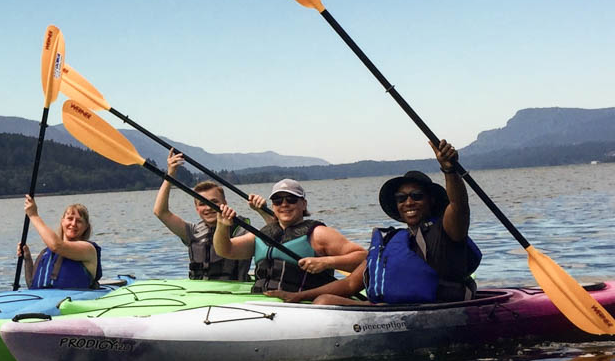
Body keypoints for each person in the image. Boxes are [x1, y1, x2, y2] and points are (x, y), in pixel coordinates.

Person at [279, 141, 482, 306]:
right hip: (390, 311)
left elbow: (459, 205)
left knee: (323, 304)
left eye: (417, 196)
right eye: (402, 198)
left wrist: (449, 170)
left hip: (438, 307)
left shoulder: (447, 230)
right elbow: (350, 283)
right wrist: (298, 296)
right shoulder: (392, 241)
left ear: (432, 201)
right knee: (324, 301)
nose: (409, 202)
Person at [212, 178, 366, 295]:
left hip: (303, 303)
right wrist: (222, 226)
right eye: (278, 201)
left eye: (291, 200)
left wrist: (327, 261)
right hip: (263, 302)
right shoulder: (262, 234)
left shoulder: (318, 233)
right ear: (273, 206)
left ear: (304, 204)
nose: (284, 204)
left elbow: (364, 257)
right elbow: (225, 250)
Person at [153, 148, 277, 281]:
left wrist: (262, 211)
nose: (208, 208)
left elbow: (277, 234)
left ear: (225, 202)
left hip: (234, 292)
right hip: (199, 291)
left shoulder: (242, 230)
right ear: (197, 209)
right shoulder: (192, 232)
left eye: (214, 202)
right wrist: (170, 174)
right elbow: (160, 212)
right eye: (202, 204)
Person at [18, 195, 101, 289]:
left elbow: (57, 245)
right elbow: (31, 285)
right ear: (62, 222)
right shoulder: (46, 253)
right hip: (43, 300)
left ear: (86, 226)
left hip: (72, 299)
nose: (73, 224)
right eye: (70, 219)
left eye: (79, 221)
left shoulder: (88, 249)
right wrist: (27, 258)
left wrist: (33, 215)